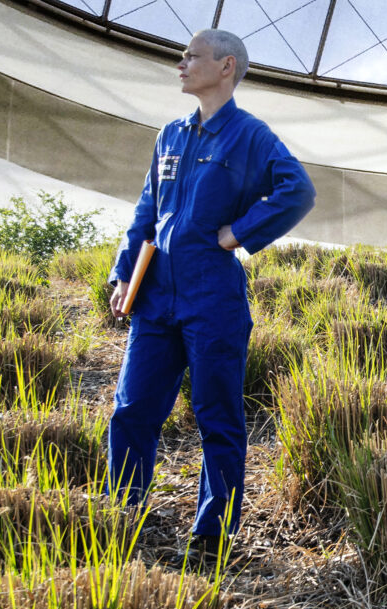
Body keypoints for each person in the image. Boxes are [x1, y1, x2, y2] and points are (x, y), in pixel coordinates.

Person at [107, 28, 315, 556]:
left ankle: (212, 536)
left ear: (226, 67)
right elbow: (146, 209)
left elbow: (298, 190)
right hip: (155, 296)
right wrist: (124, 274)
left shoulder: (251, 135)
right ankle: (121, 513)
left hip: (213, 298)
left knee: (217, 417)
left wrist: (239, 233)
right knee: (132, 409)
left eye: (191, 56)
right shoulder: (170, 135)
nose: (180, 64)